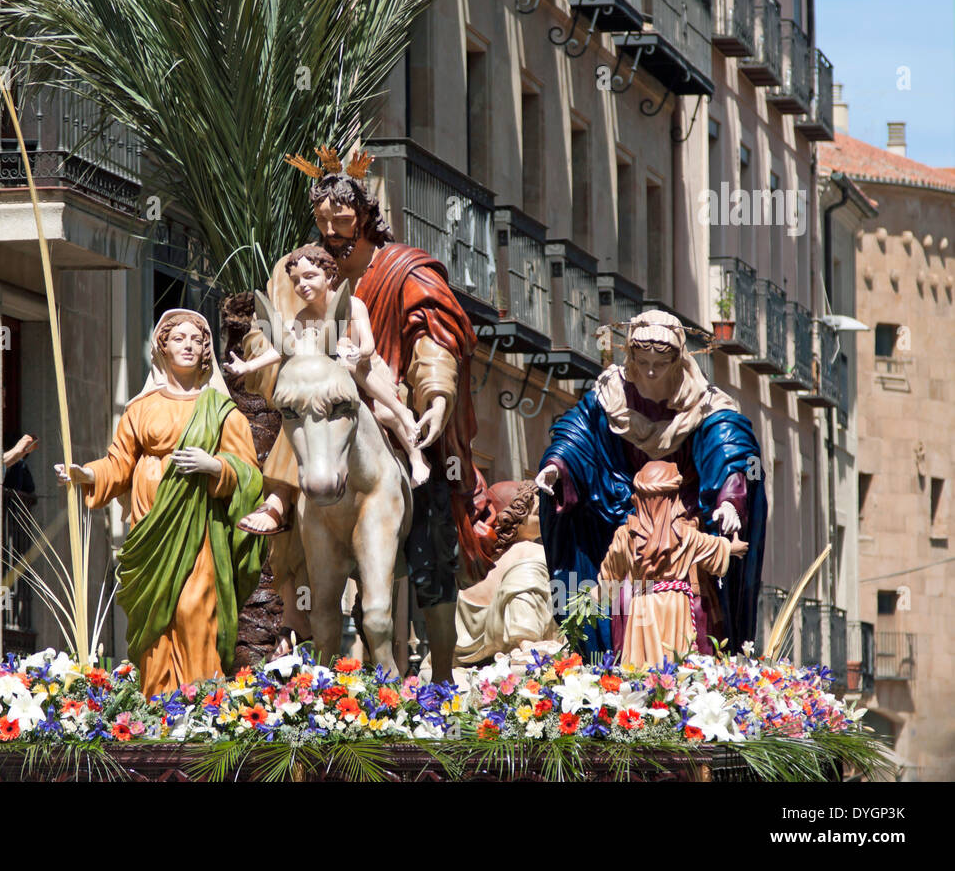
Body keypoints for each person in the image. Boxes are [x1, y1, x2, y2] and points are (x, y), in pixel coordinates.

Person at [234, 145, 498, 678]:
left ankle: (442, 667)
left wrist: (437, 395)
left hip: (389, 397)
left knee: (431, 539)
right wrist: (278, 365)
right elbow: (270, 335)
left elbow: (433, 338)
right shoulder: (296, 272)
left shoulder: (402, 272)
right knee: (308, 413)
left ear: (365, 215)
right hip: (318, 404)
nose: (332, 228)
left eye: (343, 217)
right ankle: (284, 512)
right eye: (323, 219)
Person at [55, 310, 264, 697]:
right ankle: (156, 711)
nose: (187, 345)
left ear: (205, 351)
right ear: (162, 347)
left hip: (199, 532)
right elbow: (119, 463)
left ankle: (202, 710)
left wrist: (215, 465)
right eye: (178, 338)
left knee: (192, 612)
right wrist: (88, 475)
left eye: (196, 340)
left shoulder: (222, 412)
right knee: (154, 625)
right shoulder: (141, 408)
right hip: (149, 532)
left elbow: (250, 475)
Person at [535, 309, 766, 655]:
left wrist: (730, 499)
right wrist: (558, 465)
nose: (651, 371)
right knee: (620, 623)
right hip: (619, 516)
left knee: (698, 623)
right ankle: (606, 664)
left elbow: (732, 450)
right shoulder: (610, 396)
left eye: (660, 363)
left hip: (688, 520)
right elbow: (576, 437)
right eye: (642, 362)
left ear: (678, 361)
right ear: (630, 358)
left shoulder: (703, 403)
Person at [224, 245, 431, 524]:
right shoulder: (303, 317)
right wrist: (248, 366)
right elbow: (286, 348)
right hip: (328, 382)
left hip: (364, 369)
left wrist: (359, 353)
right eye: (296, 281)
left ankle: (413, 448)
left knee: (377, 404)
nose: (302, 285)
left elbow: (367, 344)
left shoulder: (352, 305)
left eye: (309, 276)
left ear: (330, 275)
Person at [594, 460, 748, 667]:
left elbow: (608, 579)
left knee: (642, 670)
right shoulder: (687, 536)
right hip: (677, 607)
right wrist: (734, 547)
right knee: (676, 672)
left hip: (642, 606)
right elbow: (720, 549)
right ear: (672, 499)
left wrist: (587, 600)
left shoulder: (626, 536)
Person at [454, 480, 562, 667]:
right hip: (524, 647)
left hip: (463, 652)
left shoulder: (479, 566)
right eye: (538, 513)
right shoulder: (531, 552)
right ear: (512, 519)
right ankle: (526, 640)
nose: (546, 517)